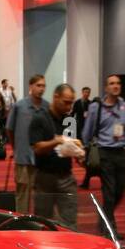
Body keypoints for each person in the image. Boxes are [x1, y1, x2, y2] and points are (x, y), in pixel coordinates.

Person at [82, 74, 125, 237]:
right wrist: (84, 150)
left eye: (118, 83)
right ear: (106, 88)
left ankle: (103, 218)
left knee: (121, 189)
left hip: (120, 153)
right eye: (112, 83)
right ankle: (111, 230)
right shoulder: (96, 108)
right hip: (104, 153)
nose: (116, 86)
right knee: (109, 193)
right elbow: (87, 132)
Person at [30, 83, 83, 228]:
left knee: (70, 223)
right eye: (66, 102)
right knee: (42, 223)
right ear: (55, 97)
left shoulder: (70, 121)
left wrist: (80, 155)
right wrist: (56, 141)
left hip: (66, 176)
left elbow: (72, 146)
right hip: (44, 177)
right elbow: (37, 148)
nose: (69, 107)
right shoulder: (40, 118)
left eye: (71, 103)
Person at [7, 74, 48, 214]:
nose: (41, 89)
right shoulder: (20, 106)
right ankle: (21, 223)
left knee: (41, 194)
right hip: (23, 157)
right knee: (22, 193)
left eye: (43, 86)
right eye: (38, 85)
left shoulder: (47, 107)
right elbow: (10, 129)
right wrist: (15, 148)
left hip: (41, 159)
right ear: (31, 86)